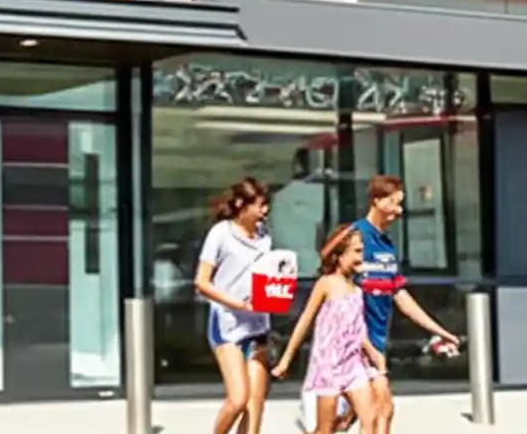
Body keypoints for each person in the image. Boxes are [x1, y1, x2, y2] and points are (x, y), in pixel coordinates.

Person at [351, 174, 462, 434]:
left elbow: (400, 296)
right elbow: (336, 288)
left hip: (377, 338)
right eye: (394, 203)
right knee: (380, 410)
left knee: (366, 415)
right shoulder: (355, 237)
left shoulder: (388, 247)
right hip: (355, 340)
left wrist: (439, 331)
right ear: (377, 201)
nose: (399, 211)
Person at [272, 224, 384, 434]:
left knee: (371, 418)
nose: (362, 257)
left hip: (353, 364)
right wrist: (286, 359)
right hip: (328, 366)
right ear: (339, 255)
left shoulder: (358, 291)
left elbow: (358, 331)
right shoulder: (326, 283)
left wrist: (373, 353)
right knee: (326, 428)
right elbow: (305, 321)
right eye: (357, 251)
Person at [194, 177, 275, 434]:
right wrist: (238, 303)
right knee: (238, 399)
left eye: (266, 205)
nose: (264, 211)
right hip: (227, 323)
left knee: (254, 406)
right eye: (260, 205)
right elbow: (202, 282)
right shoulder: (221, 234)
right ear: (242, 204)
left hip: (258, 324)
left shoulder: (265, 237)